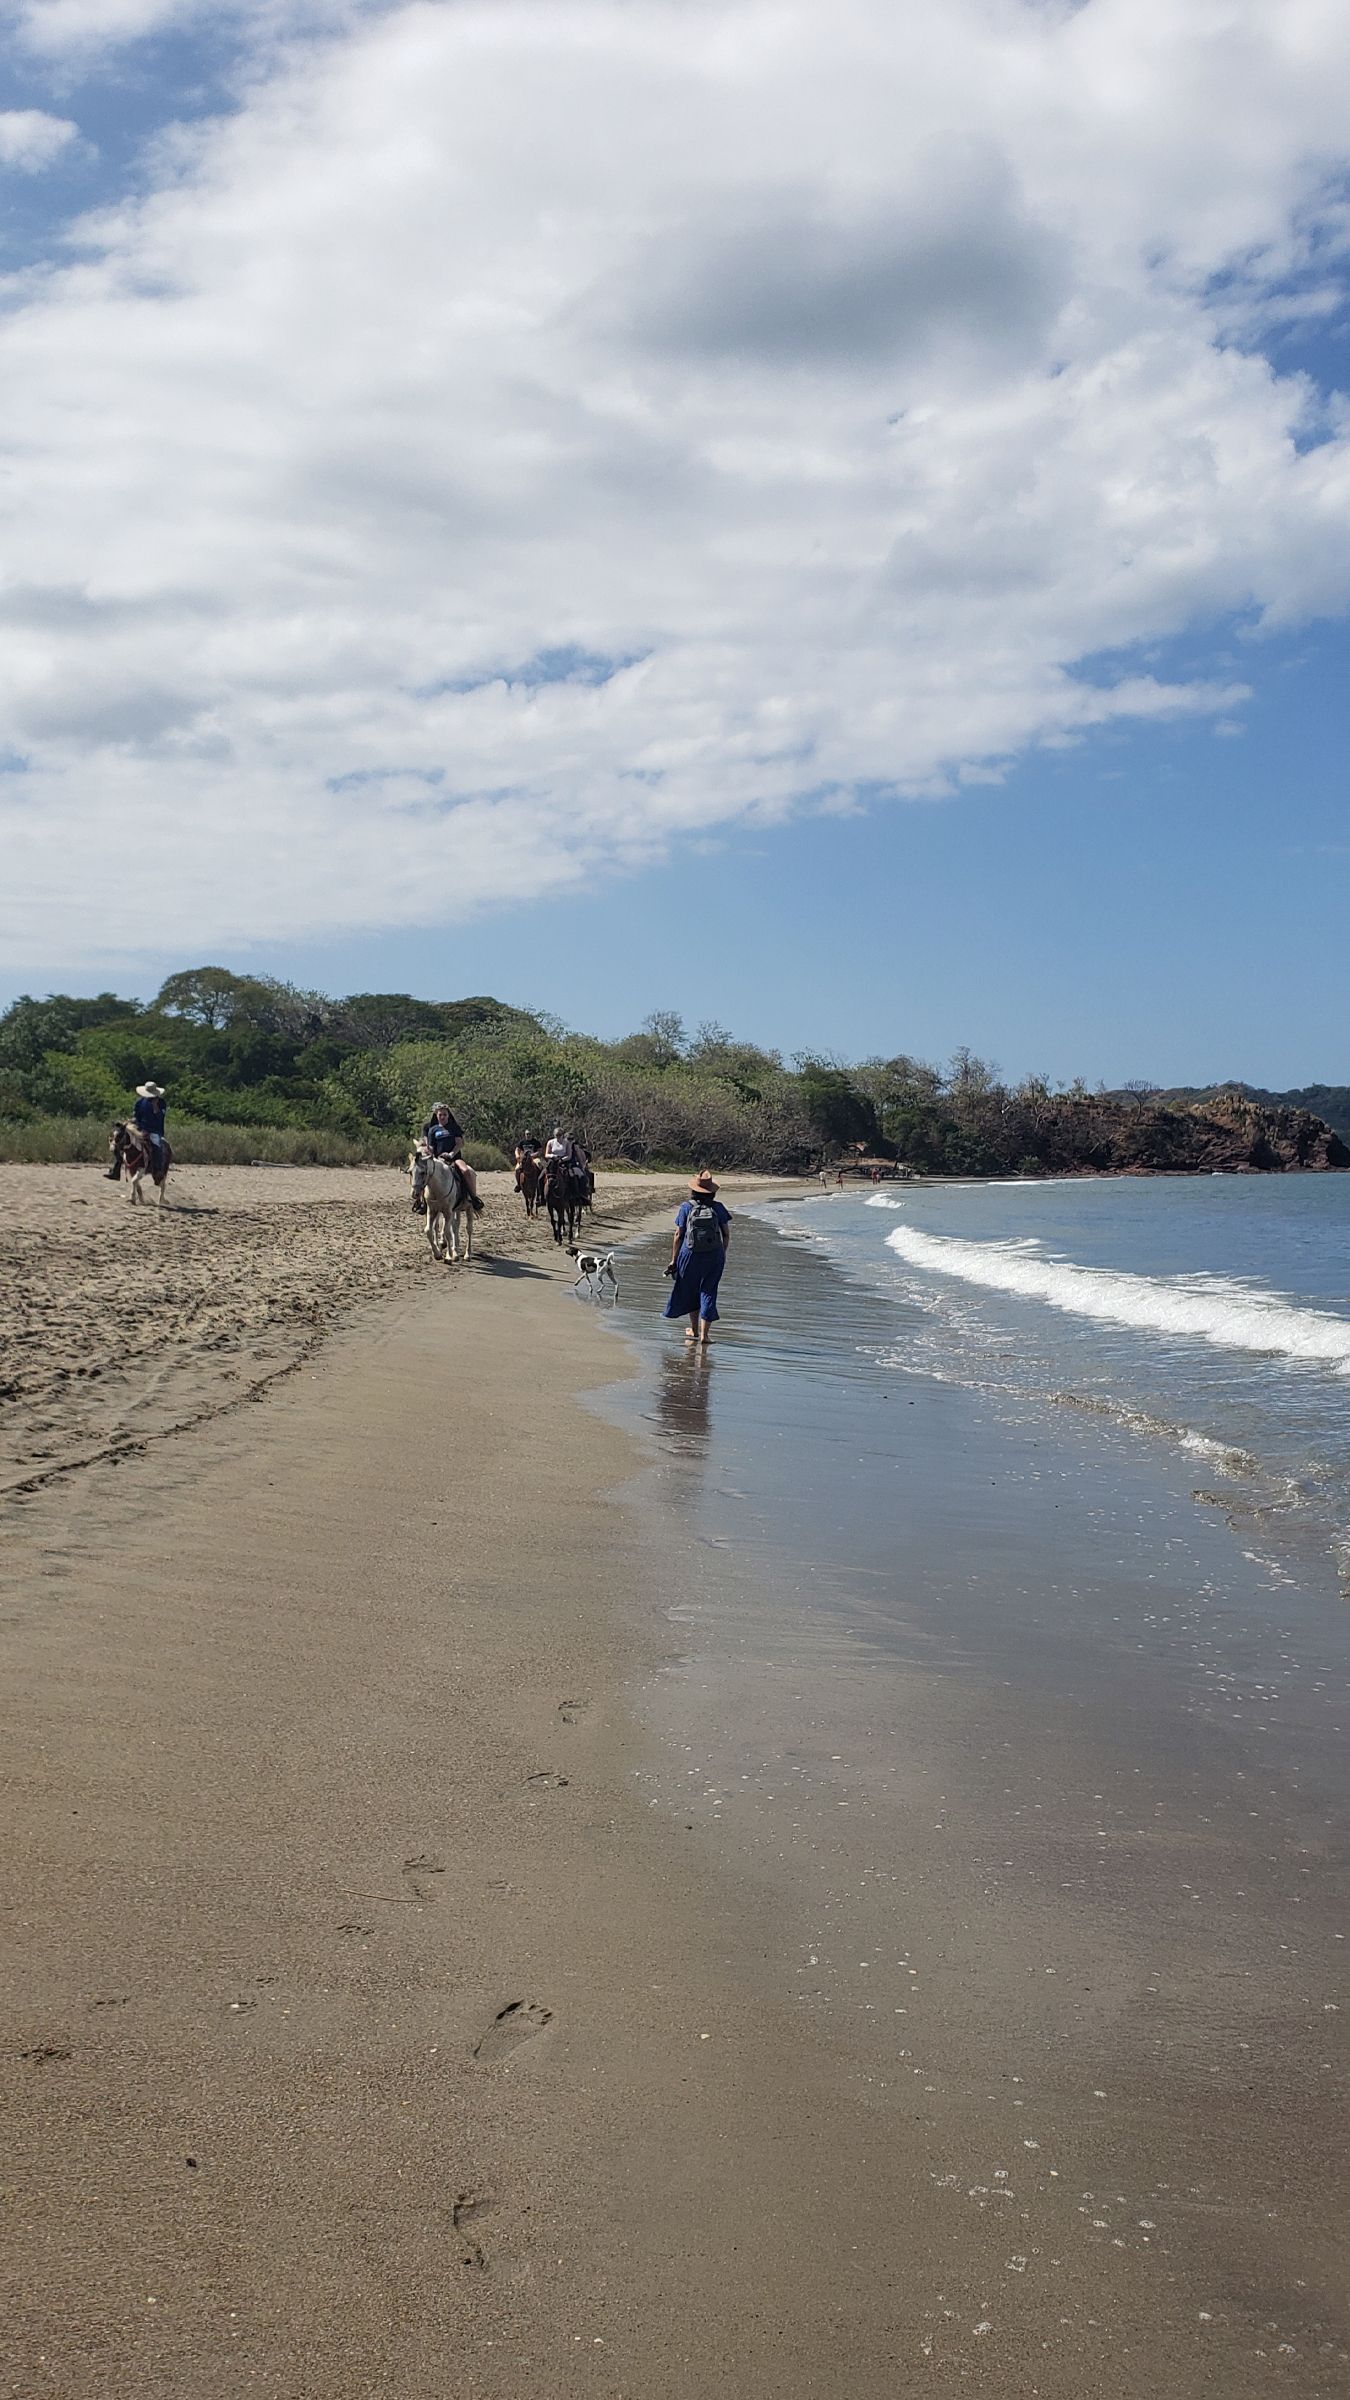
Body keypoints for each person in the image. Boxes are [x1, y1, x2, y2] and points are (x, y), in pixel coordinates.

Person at [663, 1170, 731, 1345]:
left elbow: (678, 1235)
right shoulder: (718, 1208)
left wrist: (674, 1259)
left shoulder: (686, 1207)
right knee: (709, 1291)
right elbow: (726, 1234)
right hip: (714, 1255)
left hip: (689, 1254)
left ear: (693, 1190)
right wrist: (722, 1253)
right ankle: (704, 1335)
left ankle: (693, 1329)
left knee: (691, 1290)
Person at [411, 1101, 481, 1213]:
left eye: (444, 1114)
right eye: (440, 1115)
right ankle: (422, 1201)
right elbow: (431, 1146)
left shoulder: (454, 1127)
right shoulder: (433, 1130)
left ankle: (473, 1198)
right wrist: (427, 1151)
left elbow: (459, 1143)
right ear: (436, 1115)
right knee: (424, 1173)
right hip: (438, 1159)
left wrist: (451, 1154)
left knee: (466, 1171)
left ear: (448, 1115)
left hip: (454, 1158)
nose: (442, 1117)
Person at [132, 1080, 168, 1169]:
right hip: (140, 1128)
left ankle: (157, 1168)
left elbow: (160, 1118)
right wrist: (133, 1122)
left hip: (154, 1130)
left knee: (156, 1145)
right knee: (122, 1139)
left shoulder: (161, 1103)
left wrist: (155, 1107)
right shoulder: (140, 1102)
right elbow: (136, 1116)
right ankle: (116, 1169)